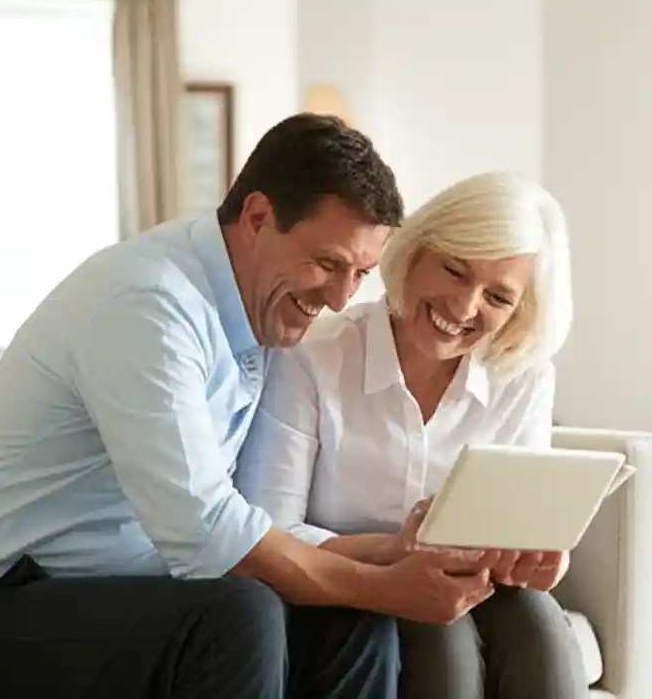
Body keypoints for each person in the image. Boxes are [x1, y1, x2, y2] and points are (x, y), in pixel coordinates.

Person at [0, 114, 498, 699]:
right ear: (258, 217)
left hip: (127, 597)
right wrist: (381, 585)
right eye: (327, 264)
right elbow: (209, 533)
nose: (342, 299)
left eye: (360, 274)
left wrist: (391, 551)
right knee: (240, 615)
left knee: (352, 623)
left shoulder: (259, 314)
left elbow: (254, 526)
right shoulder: (149, 304)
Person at [235, 172, 587, 698]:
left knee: (538, 624)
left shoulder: (523, 376)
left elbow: (520, 520)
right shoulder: (315, 354)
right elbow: (272, 532)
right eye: (454, 270)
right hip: (345, 589)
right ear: (417, 251)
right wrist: (396, 552)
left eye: (497, 296)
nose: (464, 308)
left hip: (473, 590)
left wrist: (535, 556)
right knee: (441, 638)